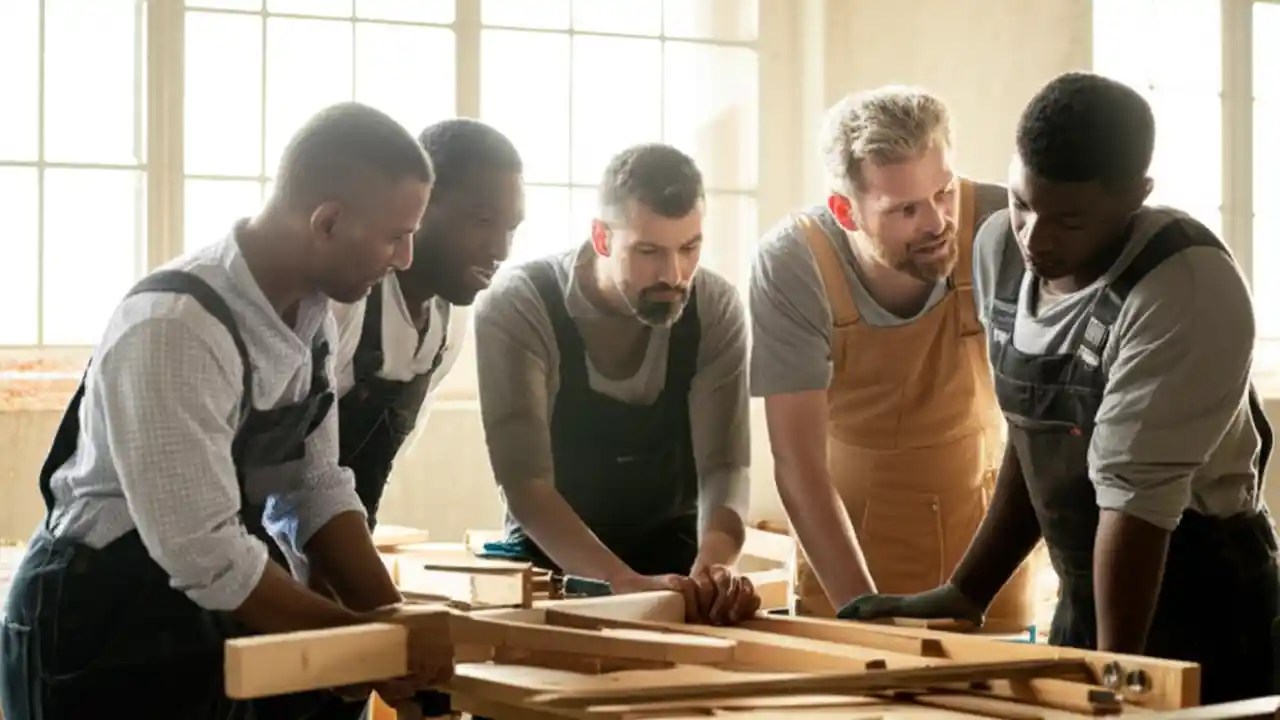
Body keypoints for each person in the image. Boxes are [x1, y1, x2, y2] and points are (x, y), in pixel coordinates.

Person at [0, 102, 452, 720]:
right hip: (96, 623)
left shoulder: (314, 320)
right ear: (327, 221)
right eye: (395, 236)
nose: (403, 258)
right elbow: (204, 552)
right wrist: (371, 645)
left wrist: (390, 616)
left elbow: (313, 488)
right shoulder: (174, 327)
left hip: (205, 618)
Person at [840, 72, 1280, 704]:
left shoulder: (1184, 290)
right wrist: (969, 590)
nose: (1034, 238)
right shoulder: (1000, 247)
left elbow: (1137, 503)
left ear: (1136, 196)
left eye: (1069, 222)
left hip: (1199, 596)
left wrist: (1117, 679)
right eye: (1023, 204)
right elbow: (1036, 432)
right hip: (1087, 592)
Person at [749, 86, 1037, 622]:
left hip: (988, 553)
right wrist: (862, 612)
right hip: (848, 552)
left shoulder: (1003, 225)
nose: (937, 222)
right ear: (845, 210)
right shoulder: (792, 264)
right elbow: (799, 463)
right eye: (905, 209)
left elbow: (1049, 423)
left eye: (944, 192)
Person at [474, 143, 759, 624]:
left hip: (675, 562)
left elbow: (725, 465)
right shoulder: (519, 304)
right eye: (649, 252)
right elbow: (525, 484)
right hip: (553, 569)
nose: (673, 275)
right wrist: (619, 582)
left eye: (690, 248)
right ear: (602, 238)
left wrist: (714, 572)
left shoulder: (716, 306)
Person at [332, 118, 523, 529]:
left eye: (511, 228)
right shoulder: (344, 303)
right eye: (483, 221)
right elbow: (296, 483)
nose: (501, 250)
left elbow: (375, 474)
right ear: (420, 203)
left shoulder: (448, 323)